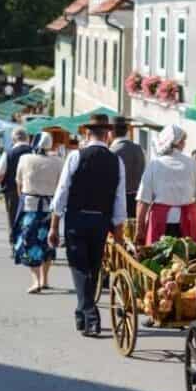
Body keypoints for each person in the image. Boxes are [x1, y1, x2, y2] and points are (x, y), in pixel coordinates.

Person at [49, 114, 127, 336]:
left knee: (80, 267)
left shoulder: (76, 157)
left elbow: (62, 191)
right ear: (107, 135)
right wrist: (119, 233)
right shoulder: (116, 162)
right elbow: (119, 200)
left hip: (76, 218)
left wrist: (54, 226)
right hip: (101, 221)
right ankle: (81, 314)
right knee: (92, 268)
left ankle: (90, 315)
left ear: (86, 133)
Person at [135, 125, 196, 244]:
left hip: (160, 221)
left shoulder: (154, 165)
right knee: (189, 260)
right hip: (188, 221)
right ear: (178, 142)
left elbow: (143, 201)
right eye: (183, 141)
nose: (184, 144)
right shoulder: (192, 164)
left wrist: (140, 228)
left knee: (158, 260)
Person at [14, 133, 62, 293]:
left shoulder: (25, 159)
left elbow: (18, 183)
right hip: (50, 207)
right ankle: (45, 279)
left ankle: (36, 280)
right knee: (48, 243)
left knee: (29, 242)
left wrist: (21, 198)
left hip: (30, 206)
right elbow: (60, 186)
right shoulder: (58, 161)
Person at [0, 128, 33, 248]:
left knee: (13, 219)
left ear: (14, 139)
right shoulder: (34, 151)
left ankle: (14, 244)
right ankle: (28, 244)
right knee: (29, 218)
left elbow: (0, 174)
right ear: (27, 138)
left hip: (12, 191)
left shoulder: (9, 153)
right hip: (32, 191)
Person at [109, 116, 145, 218]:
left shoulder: (112, 152)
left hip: (118, 200)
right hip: (137, 200)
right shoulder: (139, 149)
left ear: (111, 132)